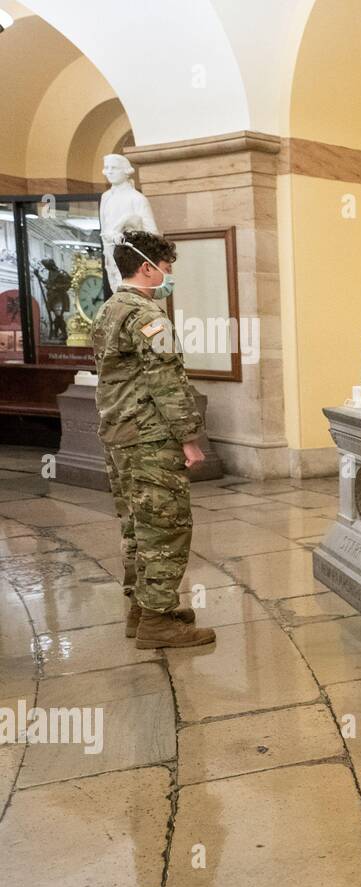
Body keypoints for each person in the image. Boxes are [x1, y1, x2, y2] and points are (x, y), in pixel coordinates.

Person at [91, 229, 214, 649]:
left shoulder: (109, 309)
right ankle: (159, 622)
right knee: (165, 527)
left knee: (136, 527)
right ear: (146, 268)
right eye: (166, 269)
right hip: (149, 439)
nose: (168, 276)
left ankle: (142, 609)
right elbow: (167, 382)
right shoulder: (148, 316)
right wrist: (189, 439)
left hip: (120, 437)